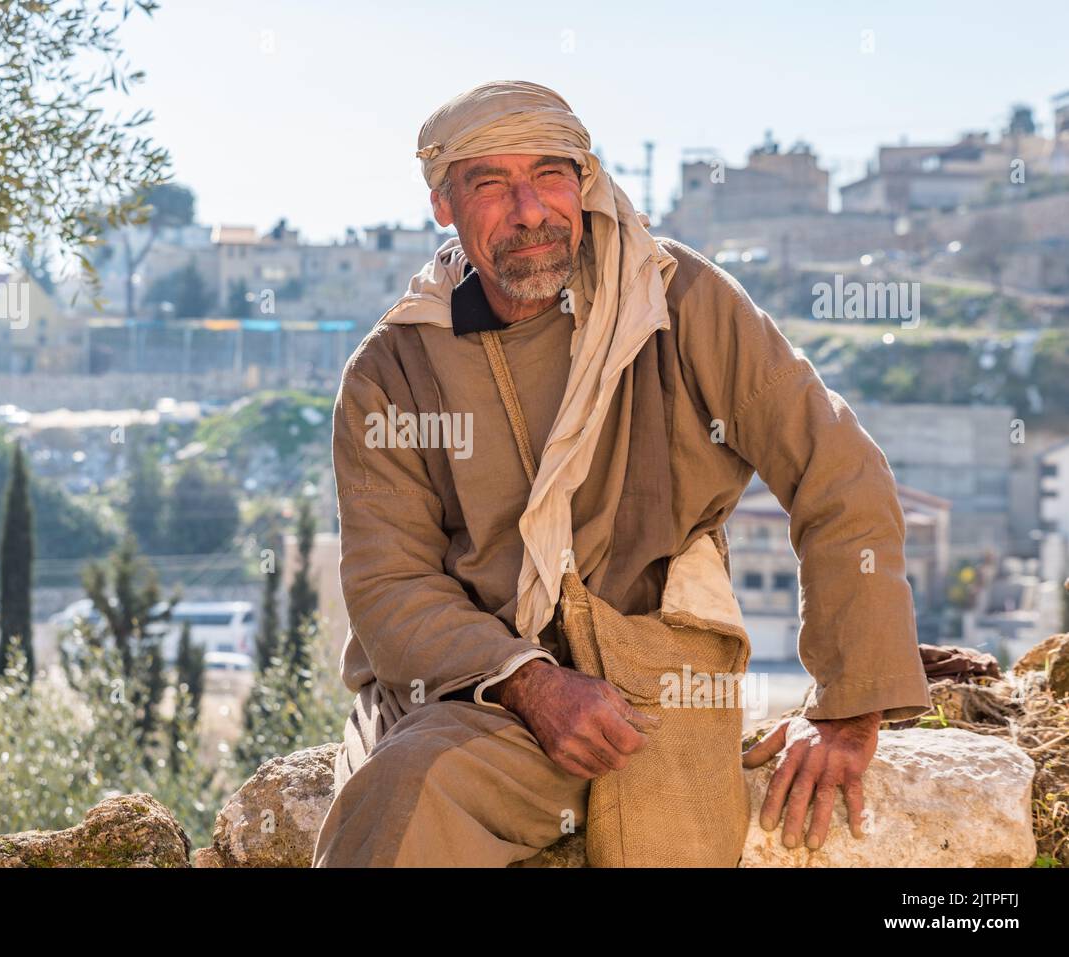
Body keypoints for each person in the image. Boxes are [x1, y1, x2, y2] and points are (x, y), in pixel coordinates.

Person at [311, 80, 931, 867]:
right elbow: (390, 584)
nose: (530, 209)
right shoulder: (394, 370)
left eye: (550, 175)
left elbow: (837, 473)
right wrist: (531, 684)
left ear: (587, 181)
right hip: (480, 697)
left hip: (655, 685)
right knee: (407, 791)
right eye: (491, 184)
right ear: (444, 205)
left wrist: (849, 710)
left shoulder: (674, 301)